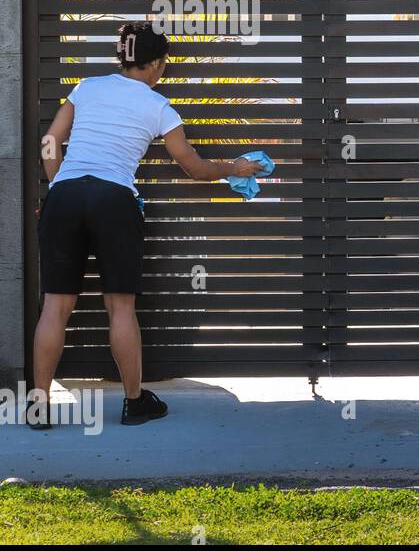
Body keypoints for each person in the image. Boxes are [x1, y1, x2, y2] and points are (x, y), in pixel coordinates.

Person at [29, 22, 267, 429]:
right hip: (113, 200)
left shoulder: (85, 88)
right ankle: (134, 403)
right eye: (163, 65)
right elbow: (194, 168)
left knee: (56, 304)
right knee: (119, 305)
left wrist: (56, 187)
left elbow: (50, 141)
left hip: (65, 195)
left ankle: (38, 407)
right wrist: (236, 167)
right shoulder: (159, 107)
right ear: (155, 64)